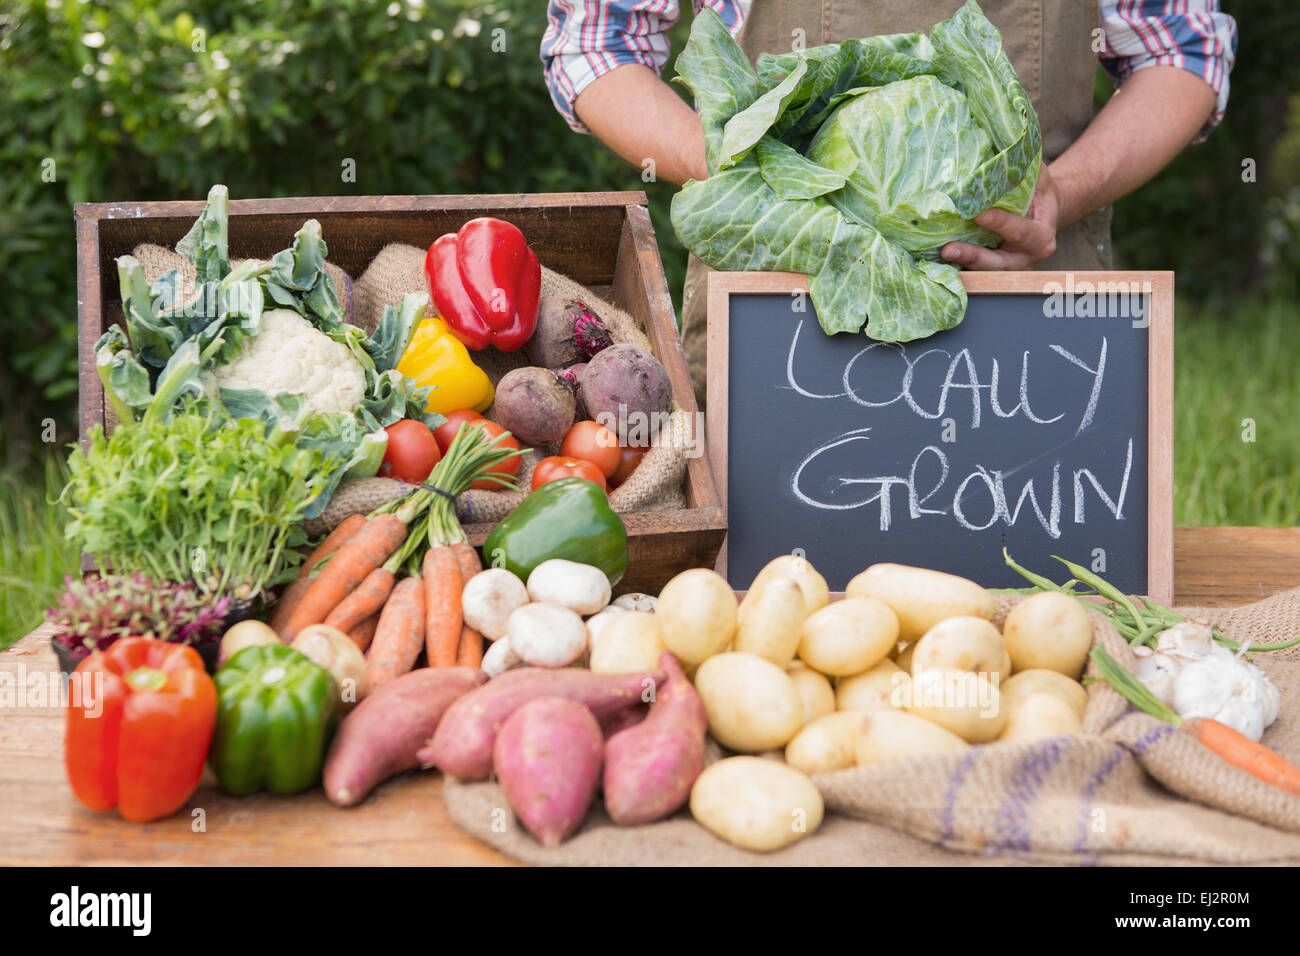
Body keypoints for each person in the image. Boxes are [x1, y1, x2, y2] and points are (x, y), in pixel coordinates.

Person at [541, 1, 1236, 407]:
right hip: (776, 320)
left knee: (1058, 622)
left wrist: (1065, 190)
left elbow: (1183, 49)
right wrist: (762, 174)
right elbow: (596, 42)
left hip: (1034, 323)